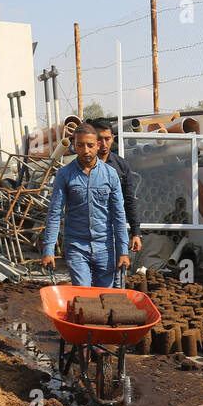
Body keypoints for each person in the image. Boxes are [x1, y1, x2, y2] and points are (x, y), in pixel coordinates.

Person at [41, 124, 130, 287]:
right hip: (76, 246)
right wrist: (48, 250)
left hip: (105, 247)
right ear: (74, 145)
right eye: (80, 145)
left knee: (105, 297)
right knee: (84, 293)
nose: (86, 150)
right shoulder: (65, 174)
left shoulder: (110, 175)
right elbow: (55, 213)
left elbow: (119, 215)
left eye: (90, 145)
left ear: (98, 145)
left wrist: (123, 251)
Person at [90, 118, 142, 257]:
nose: (104, 144)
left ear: (113, 138)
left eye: (107, 138)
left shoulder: (121, 166)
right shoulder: (81, 166)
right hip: (86, 234)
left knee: (117, 275)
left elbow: (129, 200)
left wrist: (136, 233)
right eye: (99, 139)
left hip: (114, 231)